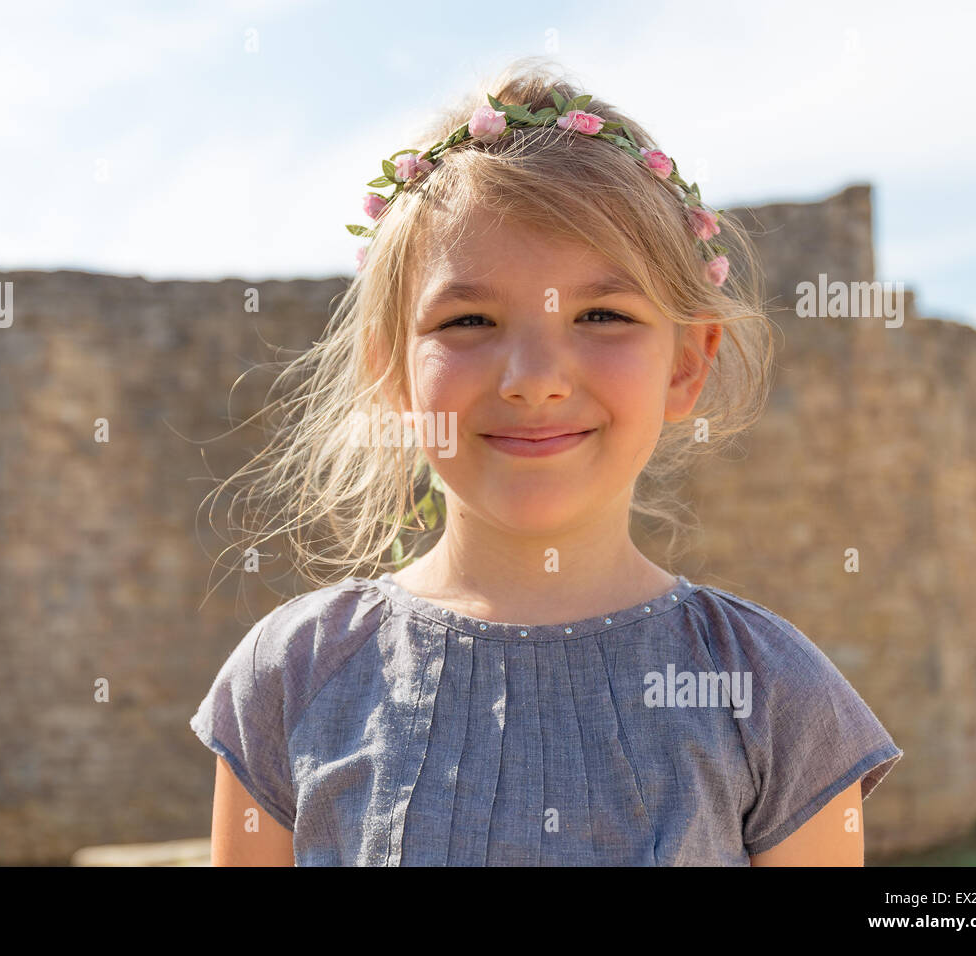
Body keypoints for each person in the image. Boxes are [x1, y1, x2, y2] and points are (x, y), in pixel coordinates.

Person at [190, 56, 902, 866]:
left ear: (686, 363)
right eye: (468, 322)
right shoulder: (290, 679)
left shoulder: (774, 696)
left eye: (601, 313)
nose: (533, 382)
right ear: (389, 365)